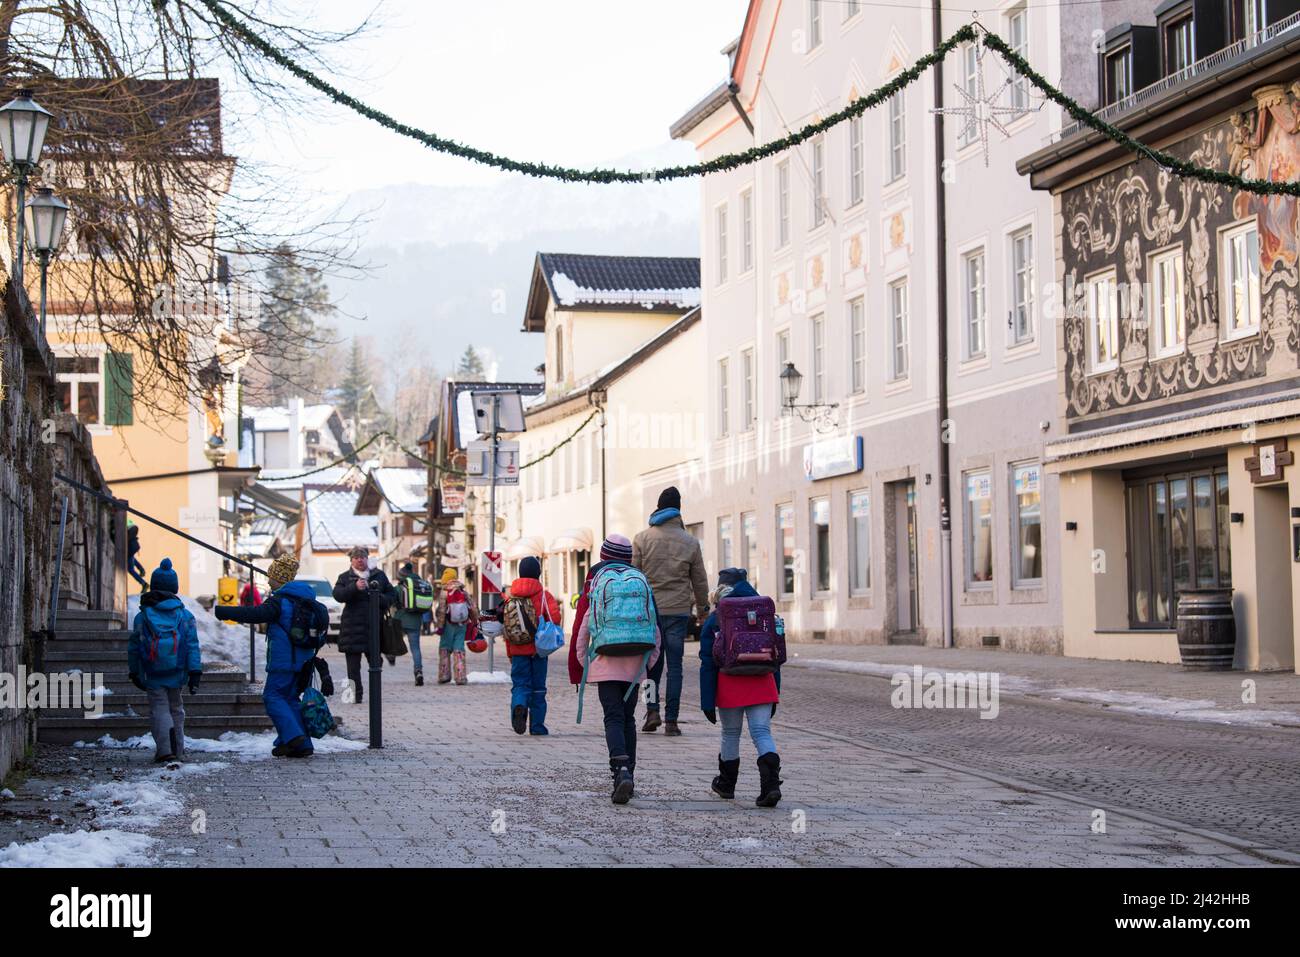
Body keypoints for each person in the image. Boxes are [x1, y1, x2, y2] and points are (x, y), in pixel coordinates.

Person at [573, 535, 661, 804]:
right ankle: (630, 774)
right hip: (635, 665)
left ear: (603, 556)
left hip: (605, 664)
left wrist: (584, 664)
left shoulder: (599, 581)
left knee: (612, 718)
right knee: (628, 719)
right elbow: (654, 629)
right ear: (629, 558)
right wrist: (648, 662)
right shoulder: (640, 581)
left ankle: (619, 769)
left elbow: (584, 629)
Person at [216, 555, 329, 758]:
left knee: (273, 697)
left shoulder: (280, 602)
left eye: (271, 576)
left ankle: (296, 739)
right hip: (304, 661)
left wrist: (224, 611)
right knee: (290, 698)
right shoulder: (306, 598)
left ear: (280, 578)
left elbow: (255, 614)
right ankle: (295, 743)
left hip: (284, 661)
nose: (268, 580)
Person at [698, 568, 783, 808]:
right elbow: (776, 656)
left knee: (731, 734)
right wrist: (775, 692)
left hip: (730, 682)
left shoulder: (717, 617)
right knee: (762, 732)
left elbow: (707, 663)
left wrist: (707, 701)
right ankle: (771, 786)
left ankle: (726, 784)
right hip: (762, 681)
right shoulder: (765, 613)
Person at [633, 485, 708, 736]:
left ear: (658, 507)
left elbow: (635, 577)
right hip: (678, 612)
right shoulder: (690, 542)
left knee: (649, 664)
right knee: (674, 667)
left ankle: (652, 709)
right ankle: (672, 720)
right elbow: (699, 580)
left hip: (649, 612)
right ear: (678, 510)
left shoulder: (642, 539)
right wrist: (703, 609)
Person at [127, 558, 202, 763]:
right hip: (177, 670)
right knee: (176, 708)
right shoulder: (185, 615)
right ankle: (177, 750)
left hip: (152, 670)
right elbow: (193, 645)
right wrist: (195, 671)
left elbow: (134, 646)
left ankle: (164, 750)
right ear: (174, 588)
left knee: (159, 708)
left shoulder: (142, 616)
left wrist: (134, 671)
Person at [501, 556, 560, 736]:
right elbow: (555, 619)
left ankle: (519, 704)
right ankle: (537, 726)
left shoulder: (511, 597)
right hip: (539, 651)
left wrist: (510, 653)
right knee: (538, 688)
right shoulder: (544, 596)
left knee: (520, 684)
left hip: (518, 650)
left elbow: (507, 629)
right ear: (538, 573)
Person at [332, 546, 396, 704]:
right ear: (351, 560)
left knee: (376, 664)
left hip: (374, 627)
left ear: (367, 558)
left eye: (362, 557)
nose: (359, 560)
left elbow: (392, 595)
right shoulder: (345, 577)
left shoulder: (378, 576)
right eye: (356, 557)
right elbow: (338, 595)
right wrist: (354, 588)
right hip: (351, 629)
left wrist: (375, 594)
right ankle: (355, 695)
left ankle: (375, 693)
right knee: (352, 667)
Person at [435, 568, 477, 685]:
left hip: (448, 625)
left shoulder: (445, 592)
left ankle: (444, 675)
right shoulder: (463, 591)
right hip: (462, 625)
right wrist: (475, 621)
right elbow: (472, 608)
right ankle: (460, 676)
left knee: (444, 649)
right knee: (459, 649)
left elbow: (442, 611)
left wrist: (440, 626)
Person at [396, 562, 433, 686]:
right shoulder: (420, 584)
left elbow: (391, 600)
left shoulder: (400, 587)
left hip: (400, 620)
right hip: (416, 621)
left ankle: (390, 656)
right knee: (415, 648)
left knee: (392, 641)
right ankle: (418, 671)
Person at [126, 519, 147, 593]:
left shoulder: (123, 524)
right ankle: (141, 569)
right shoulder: (130, 524)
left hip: (130, 548)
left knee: (130, 569)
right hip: (134, 546)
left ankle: (143, 583)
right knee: (131, 558)